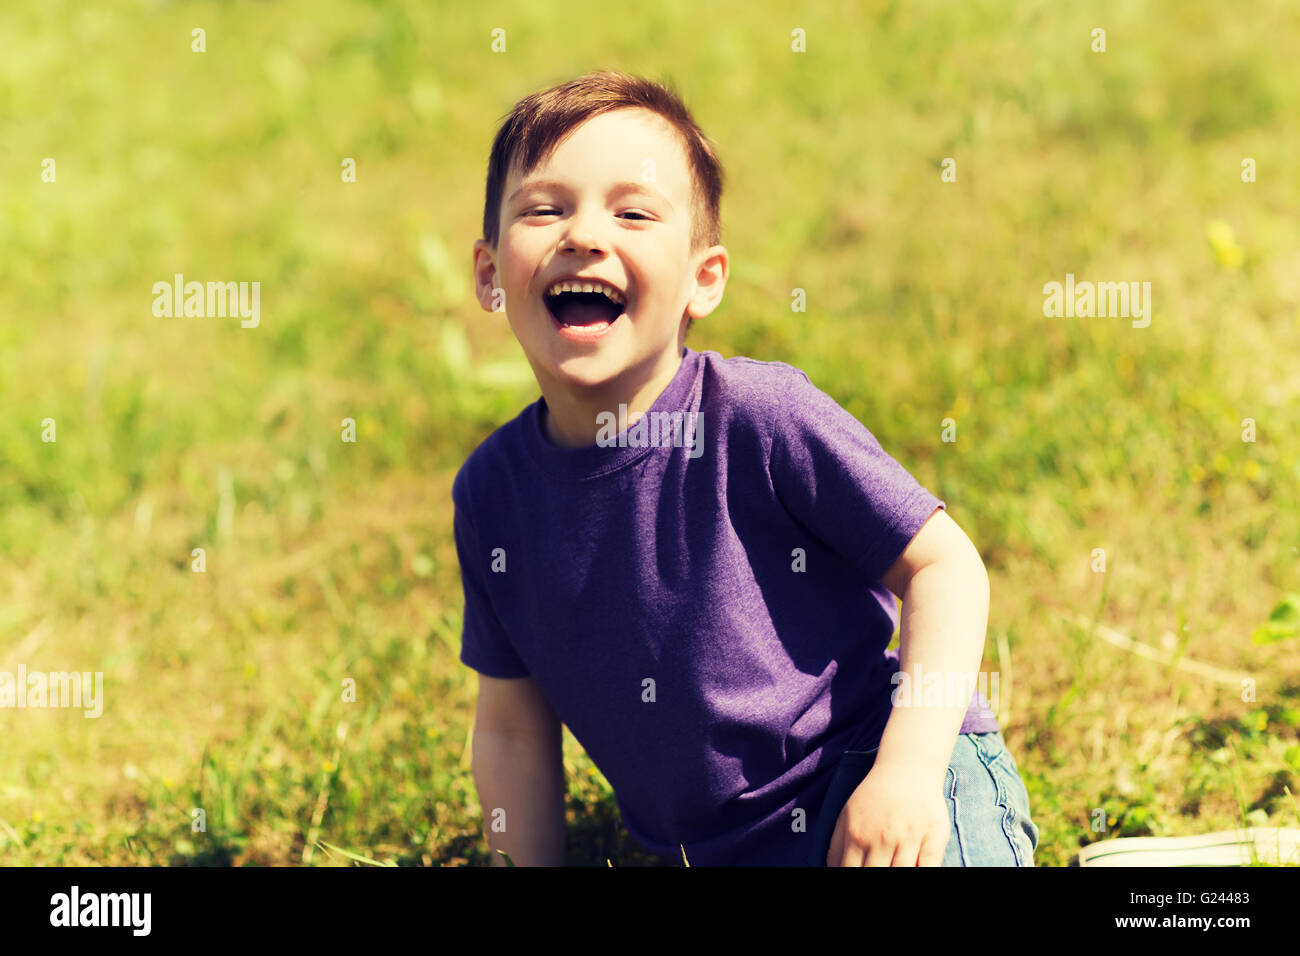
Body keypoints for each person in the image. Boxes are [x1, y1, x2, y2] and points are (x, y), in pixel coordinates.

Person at [455, 70, 1039, 866]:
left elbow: (947, 567)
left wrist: (905, 771)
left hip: (879, 769)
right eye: (545, 209)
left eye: (632, 212)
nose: (584, 235)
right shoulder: (494, 498)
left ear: (705, 278)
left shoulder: (759, 417)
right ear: (490, 276)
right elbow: (512, 729)